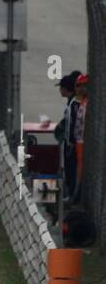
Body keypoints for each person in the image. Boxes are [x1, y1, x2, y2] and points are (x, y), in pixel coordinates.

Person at [55, 71, 82, 200]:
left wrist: (71, 141)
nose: (60, 90)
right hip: (70, 143)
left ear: (66, 89)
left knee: (71, 169)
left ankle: (72, 195)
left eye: (61, 88)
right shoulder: (72, 102)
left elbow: (73, 123)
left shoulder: (74, 104)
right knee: (69, 168)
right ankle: (71, 193)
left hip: (72, 143)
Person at [74, 73, 90, 202]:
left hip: (84, 142)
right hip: (80, 141)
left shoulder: (88, 103)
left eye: (80, 86)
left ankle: (79, 194)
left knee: (82, 169)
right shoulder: (83, 102)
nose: (78, 89)